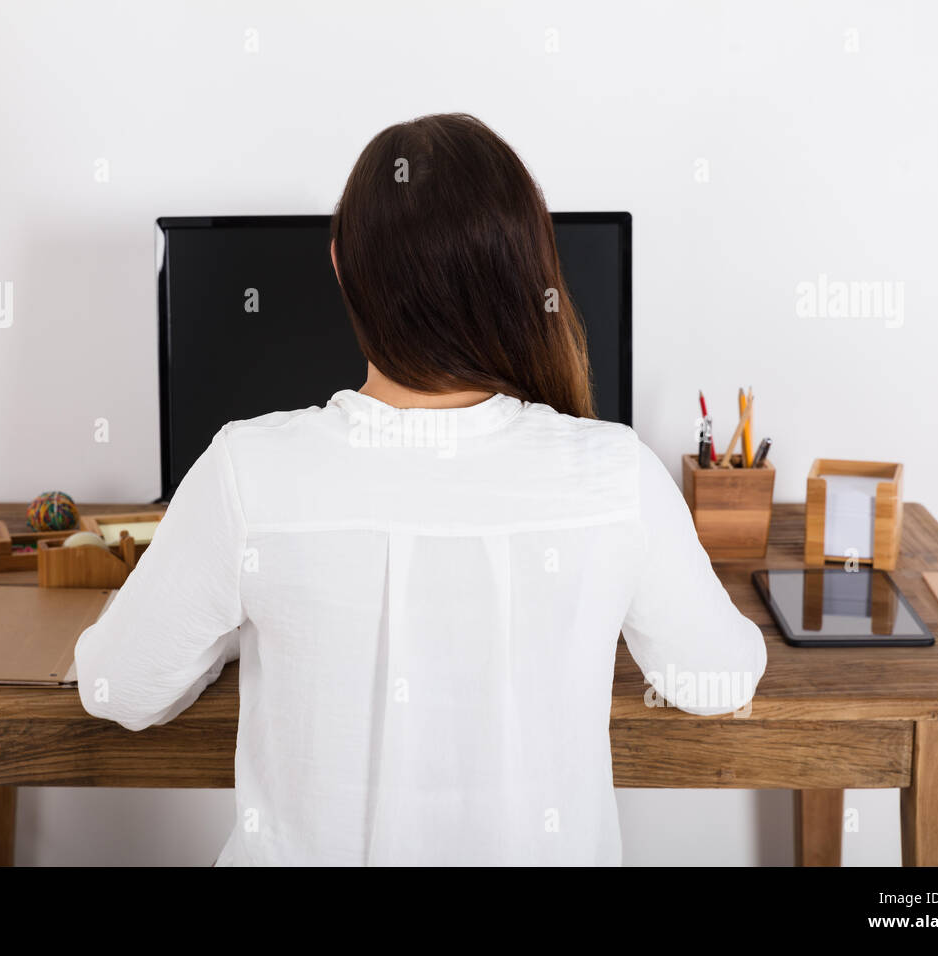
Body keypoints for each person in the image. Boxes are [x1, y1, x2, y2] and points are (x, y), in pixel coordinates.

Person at [75, 113, 766, 866]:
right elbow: (716, 678)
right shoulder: (617, 472)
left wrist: (242, 628)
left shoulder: (247, 471)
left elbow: (118, 686)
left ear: (341, 266)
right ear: (530, 271)